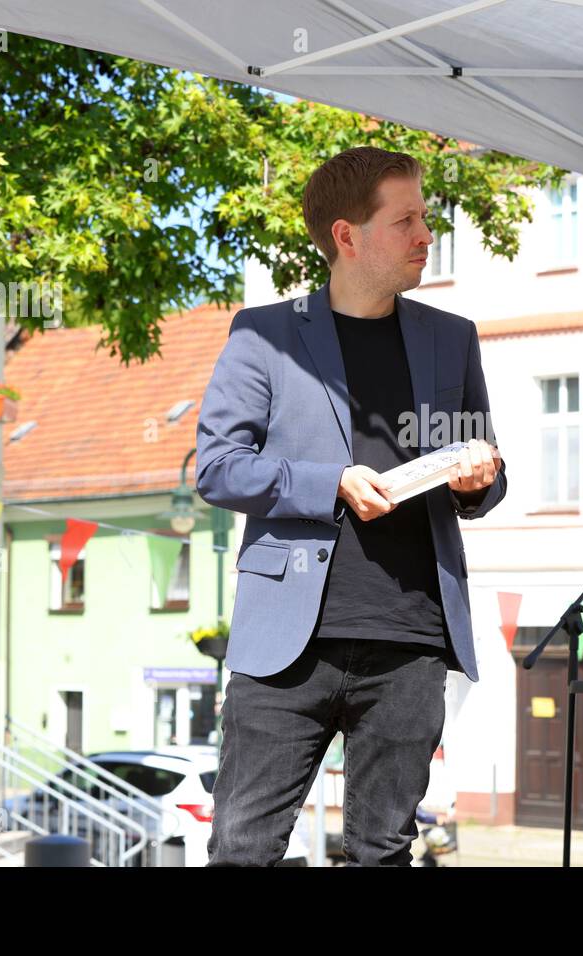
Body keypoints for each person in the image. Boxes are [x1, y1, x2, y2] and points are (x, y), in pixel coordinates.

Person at [196, 145, 507, 866]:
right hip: (286, 646)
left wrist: (477, 478)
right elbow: (218, 467)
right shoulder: (265, 335)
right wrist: (329, 481)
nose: (426, 235)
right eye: (407, 220)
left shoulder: (450, 338)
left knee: (384, 851)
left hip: (411, 641)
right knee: (243, 848)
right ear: (347, 235)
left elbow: (484, 469)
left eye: (424, 218)